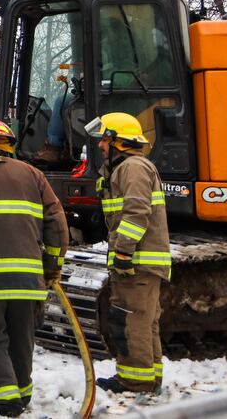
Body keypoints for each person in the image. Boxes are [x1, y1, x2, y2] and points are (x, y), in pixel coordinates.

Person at [0, 118, 69, 416]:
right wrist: (52, 267)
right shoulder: (34, 175)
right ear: (10, 144)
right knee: (22, 337)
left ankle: (3, 399)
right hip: (28, 279)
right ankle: (21, 391)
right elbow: (57, 225)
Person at [91, 112, 170, 394]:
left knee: (131, 320)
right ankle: (149, 377)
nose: (100, 145)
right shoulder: (129, 167)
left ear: (118, 141)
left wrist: (123, 253)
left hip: (137, 262)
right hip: (143, 261)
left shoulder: (132, 168)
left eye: (105, 138)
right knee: (145, 321)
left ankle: (134, 381)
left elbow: (136, 213)